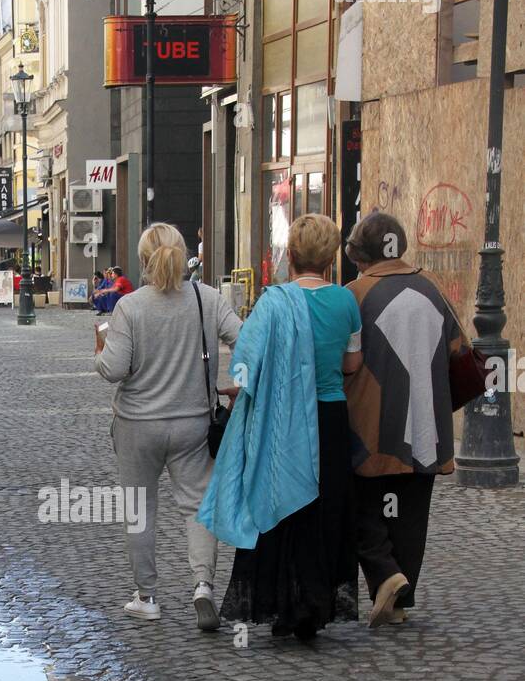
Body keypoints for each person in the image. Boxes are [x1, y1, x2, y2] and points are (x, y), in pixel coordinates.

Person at [199, 214, 363, 642]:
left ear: (290, 255)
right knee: (323, 512)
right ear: (330, 258)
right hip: (329, 417)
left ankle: (280, 606)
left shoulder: (273, 303)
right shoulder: (346, 303)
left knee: (281, 510)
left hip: (283, 419)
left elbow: (245, 368)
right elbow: (353, 364)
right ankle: (313, 605)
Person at [95, 222, 242, 631]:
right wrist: (241, 384)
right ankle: (202, 587)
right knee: (198, 507)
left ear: (143, 260)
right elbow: (244, 339)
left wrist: (99, 349)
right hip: (194, 422)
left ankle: (146, 597)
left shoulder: (130, 307)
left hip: (137, 424)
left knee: (140, 510)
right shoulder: (206, 298)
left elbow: (114, 369)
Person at [344, 211, 468, 627]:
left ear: (361, 254)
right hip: (426, 427)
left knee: (361, 506)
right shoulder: (433, 290)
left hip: (371, 425)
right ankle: (398, 600)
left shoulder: (355, 295)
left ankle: (385, 574)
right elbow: (461, 354)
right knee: (408, 514)